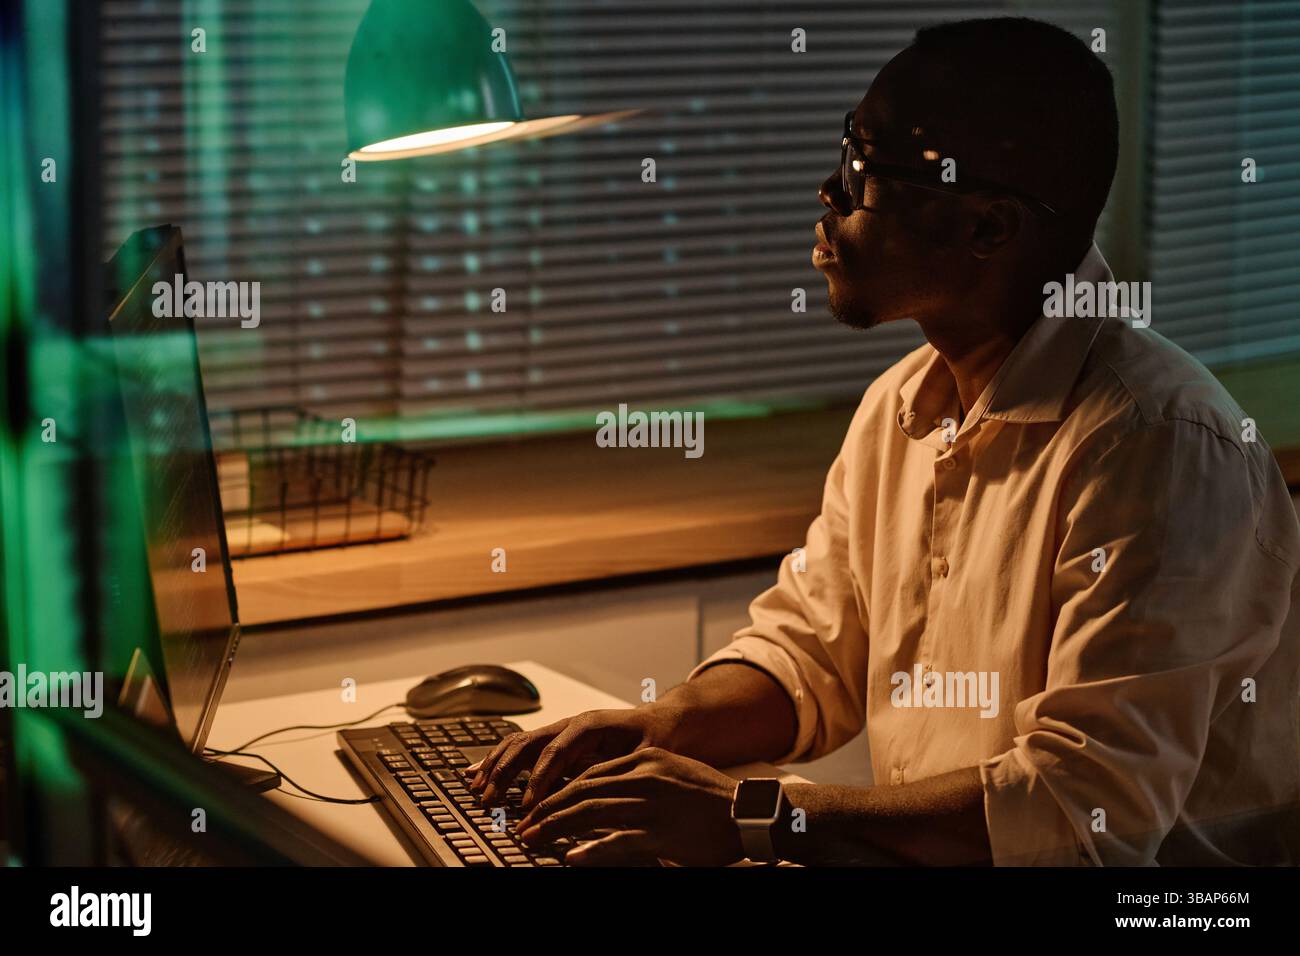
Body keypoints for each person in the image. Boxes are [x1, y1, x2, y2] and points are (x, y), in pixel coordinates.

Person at [470, 17, 1300, 866]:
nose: (829, 191)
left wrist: (754, 816)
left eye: (866, 168)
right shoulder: (901, 405)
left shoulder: (1160, 450)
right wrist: (665, 726)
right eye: (845, 151)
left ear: (990, 228)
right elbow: (813, 653)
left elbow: (1074, 817)